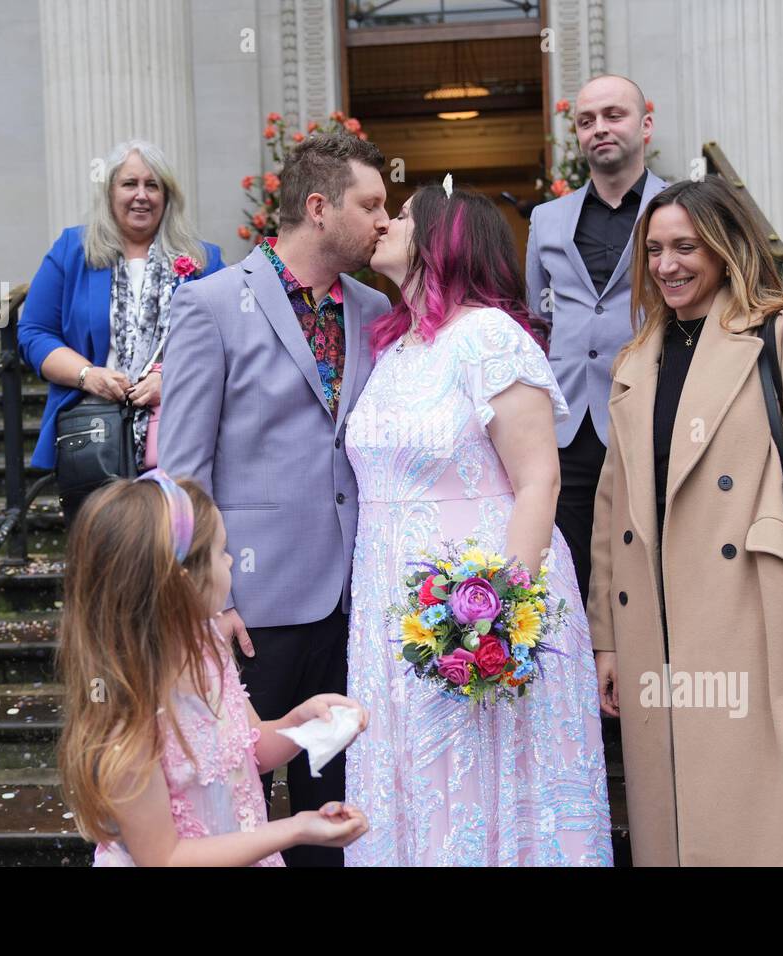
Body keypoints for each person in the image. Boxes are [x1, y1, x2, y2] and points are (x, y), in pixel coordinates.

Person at [587, 176, 783, 865]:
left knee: (761, 814)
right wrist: (606, 639)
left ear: (725, 248)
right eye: (654, 249)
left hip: (749, 610)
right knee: (673, 820)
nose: (667, 265)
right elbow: (612, 512)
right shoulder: (636, 359)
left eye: (685, 246)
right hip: (651, 623)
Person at [343, 183, 613, 867]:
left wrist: (497, 612)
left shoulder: (490, 337)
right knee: (414, 788)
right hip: (391, 611)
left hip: (478, 604)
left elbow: (538, 480)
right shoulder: (395, 349)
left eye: (400, 216)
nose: (383, 224)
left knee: (479, 788)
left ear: (441, 239)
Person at [158, 132, 392, 867]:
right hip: (251, 604)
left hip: (354, 598)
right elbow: (183, 466)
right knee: (238, 790)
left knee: (337, 798)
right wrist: (205, 598)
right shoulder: (212, 304)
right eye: (372, 204)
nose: (385, 220)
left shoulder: (371, 304)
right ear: (319, 208)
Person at [56, 469, 370, 866]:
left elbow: (250, 748)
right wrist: (294, 828)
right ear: (184, 582)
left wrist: (304, 724)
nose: (232, 558)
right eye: (221, 551)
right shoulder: (127, 720)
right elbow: (164, 858)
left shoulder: (207, 649)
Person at [18, 140, 224, 522]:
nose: (141, 196)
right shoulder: (72, 251)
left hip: (180, 435)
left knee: (177, 556)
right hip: (98, 440)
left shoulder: (203, 260)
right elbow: (34, 333)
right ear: (110, 192)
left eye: (153, 185)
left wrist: (174, 379)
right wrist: (88, 375)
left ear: (168, 195)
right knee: (107, 561)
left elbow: (228, 342)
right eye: (130, 184)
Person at [526, 75, 667, 608]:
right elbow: (539, 319)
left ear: (645, 125)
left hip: (651, 409)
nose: (599, 129)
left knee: (650, 553)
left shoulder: (680, 207)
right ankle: (583, 686)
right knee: (572, 566)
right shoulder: (547, 219)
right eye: (586, 121)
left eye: (614, 115)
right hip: (569, 425)